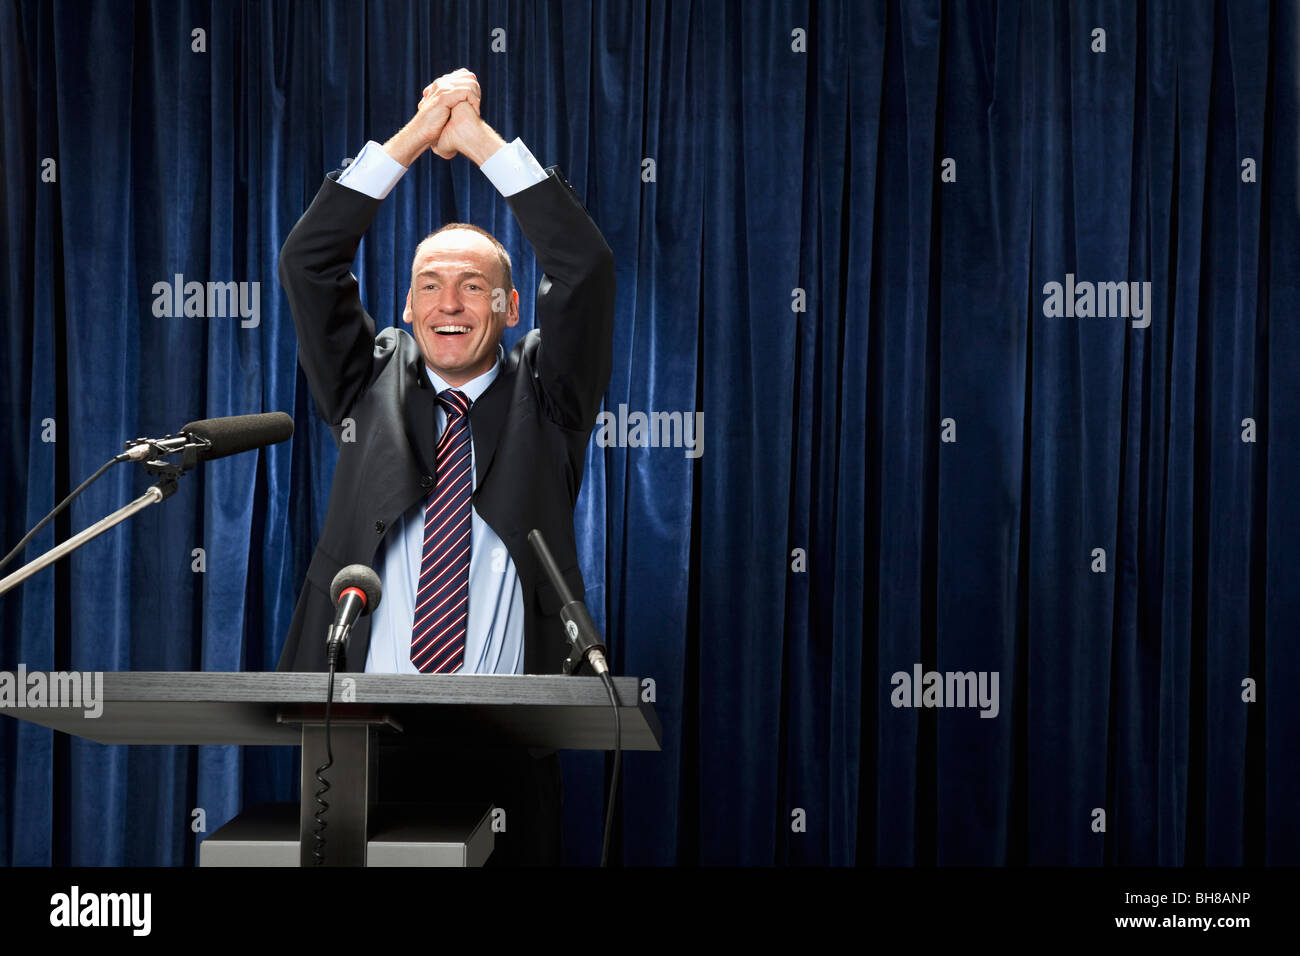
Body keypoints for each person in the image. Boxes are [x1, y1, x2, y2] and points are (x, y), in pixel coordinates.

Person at [274, 68, 616, 864]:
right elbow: (309, 265)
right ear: (405, 306)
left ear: (510, 307)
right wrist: (416, 137)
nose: (450, 304)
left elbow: (586, 270)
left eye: (474, 286)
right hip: (359, 735)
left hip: (507, 736)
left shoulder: (551, 393)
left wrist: (479, 145)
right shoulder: (364, 379)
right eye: (429, 285)